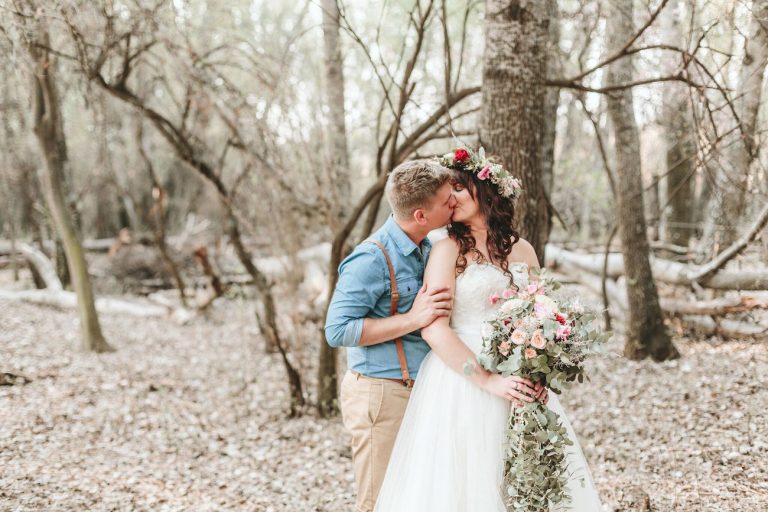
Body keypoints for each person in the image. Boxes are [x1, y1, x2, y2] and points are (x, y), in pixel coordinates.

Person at [374, 151, 603, 511]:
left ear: (485, 191)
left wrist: (540, 369)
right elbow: (434, 330)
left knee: (524, 481)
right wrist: (489, 381)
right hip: (462, 384)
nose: (452, 199)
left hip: (520, 380)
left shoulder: (523, 250)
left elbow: (539, 315)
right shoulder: (446, 250)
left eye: (460, 189)